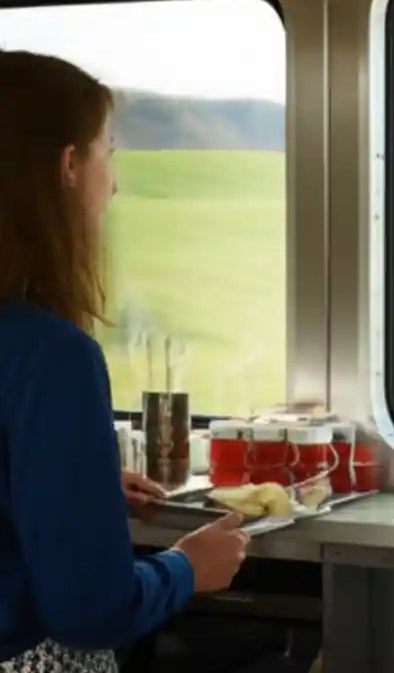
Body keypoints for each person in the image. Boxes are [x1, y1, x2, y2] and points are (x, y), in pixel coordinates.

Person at [0, 50, 250, 671]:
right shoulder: (50, 357)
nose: (112, 182)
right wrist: (187, 568)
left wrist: (72, 486)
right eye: (107, 152)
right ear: (67, 165)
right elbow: (89, 610)